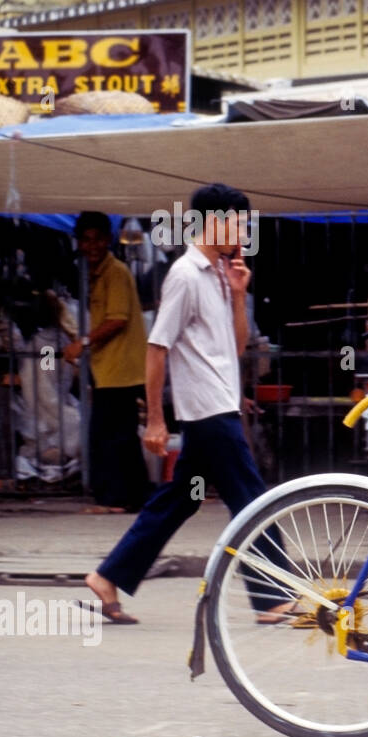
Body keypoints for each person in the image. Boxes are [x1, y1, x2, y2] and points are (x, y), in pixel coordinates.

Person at [83, 184, 294, 625]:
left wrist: (238, 293)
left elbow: (234, 349)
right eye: (238, 222)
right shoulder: (184, 274)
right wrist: (156, 421)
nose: (243, 230)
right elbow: (157, 347)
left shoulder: (220, 273)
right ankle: (272, 597)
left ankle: (108, 577)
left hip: (217, 407)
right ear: (211, 222)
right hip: (208, 412)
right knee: (251, 500)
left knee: (179, 499)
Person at [63, 212, 153, 512]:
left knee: (113, 436)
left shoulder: (115, 272)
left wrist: (82, 343)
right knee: (116, 435)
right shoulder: (100, 272)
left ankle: (119, 499)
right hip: (110, 369)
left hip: (121, 369)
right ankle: (132, 497)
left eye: (97, 239)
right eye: (86, 240)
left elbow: (117, 319)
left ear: (108, 240)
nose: (92, 246)